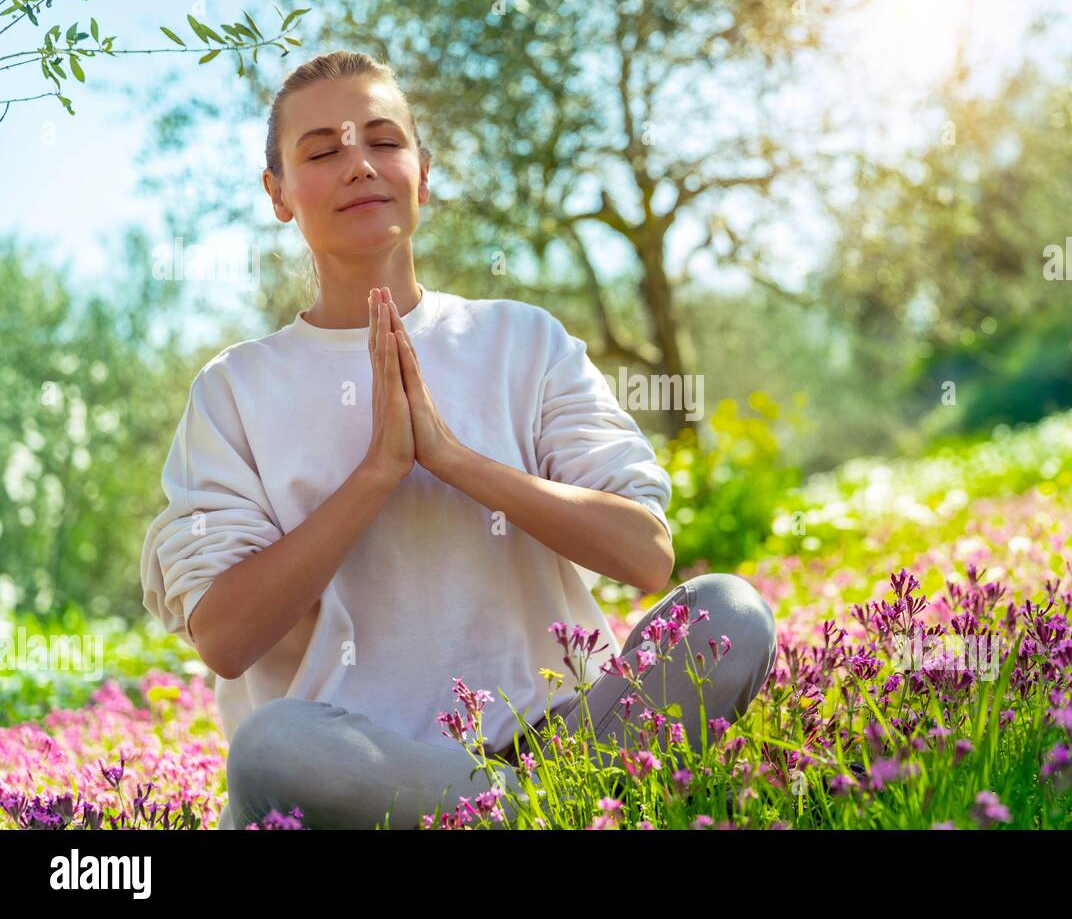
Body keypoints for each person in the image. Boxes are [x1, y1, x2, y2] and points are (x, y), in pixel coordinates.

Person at [138, 50, 777, 830]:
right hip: (363, 773)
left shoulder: (522, 340)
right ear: (277, 194)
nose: (359, 167)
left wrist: (453, 460)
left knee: (730, 614)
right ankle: (545, 814)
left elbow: (645, 554)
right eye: (322, 151)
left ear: (423, 173)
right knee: (272, 749)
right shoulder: (232, 390)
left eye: (383, 140)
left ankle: (515, 807)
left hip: (565, 742)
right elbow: (226, 638)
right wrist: (377, 474)